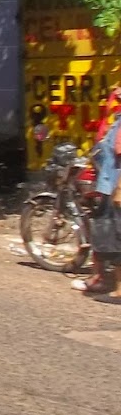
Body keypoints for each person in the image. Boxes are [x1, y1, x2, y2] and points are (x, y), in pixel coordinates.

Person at [77, 87, 121, 295]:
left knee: (110, 233)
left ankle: (108, 282)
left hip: (114, 186)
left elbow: (119, 151)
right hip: (110, 184)